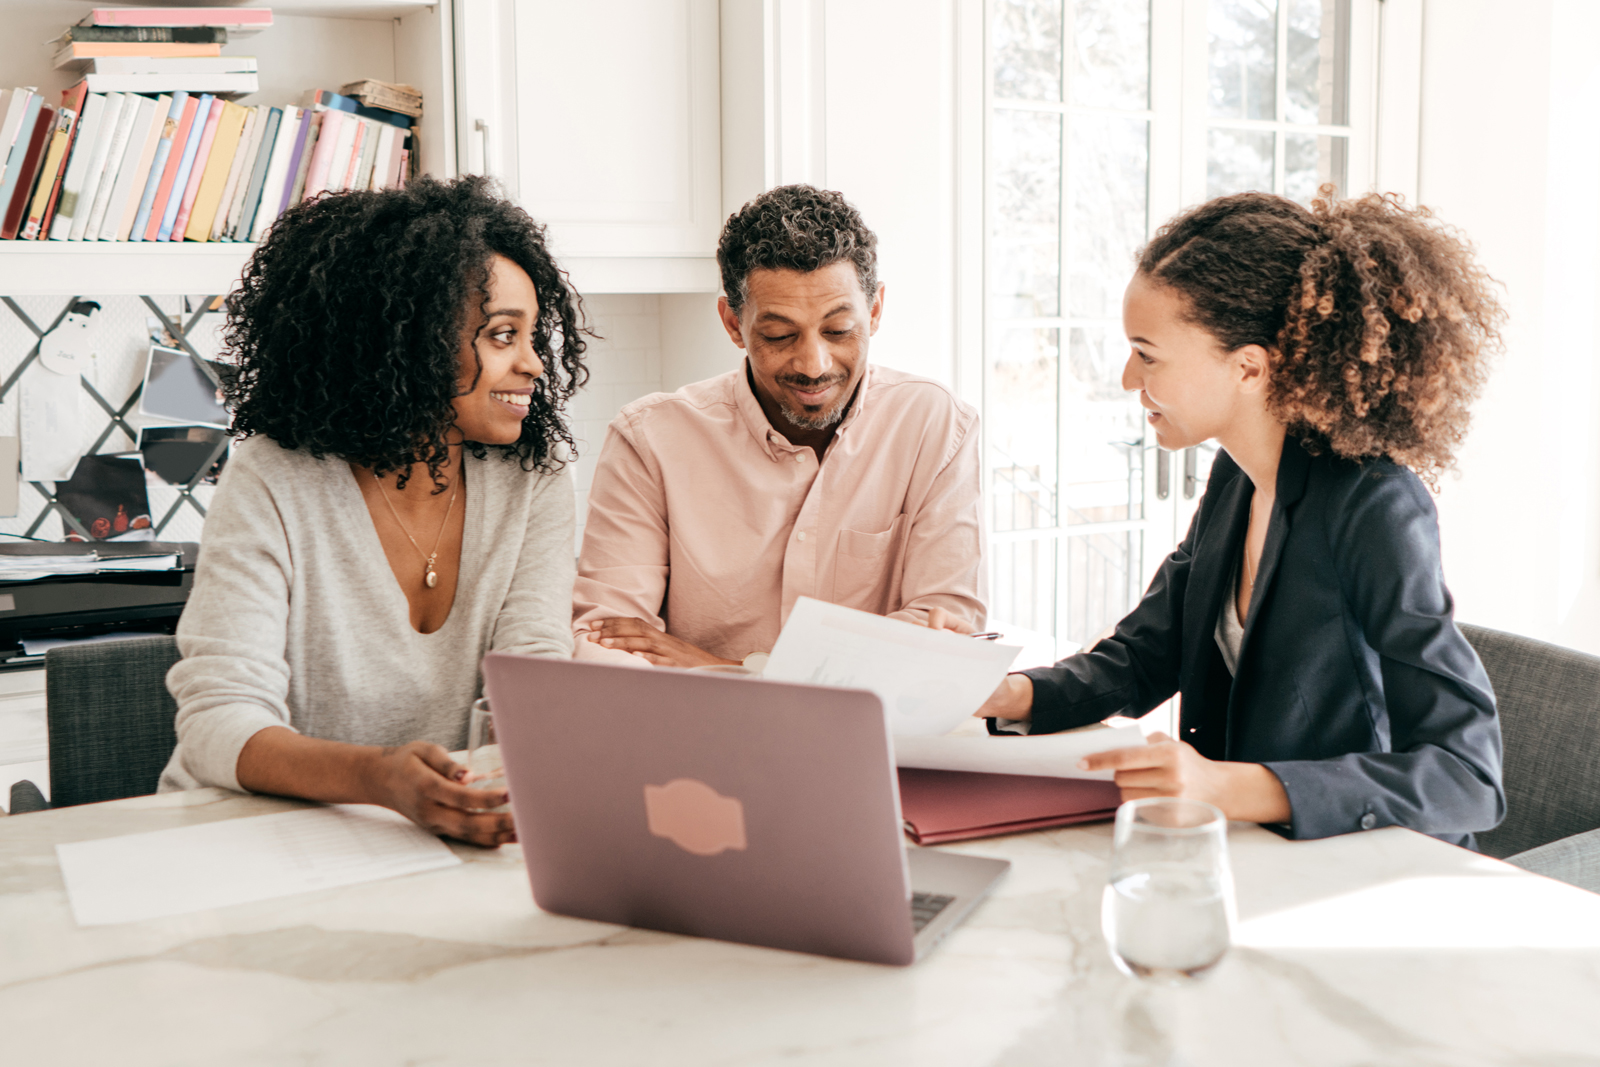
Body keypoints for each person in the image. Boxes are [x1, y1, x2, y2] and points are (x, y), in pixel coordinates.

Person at [978, 190, 1506, 845]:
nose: (1125, 378)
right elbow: (1145, 656)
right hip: (1255, 857)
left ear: (1249, 366)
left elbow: (1468, 776)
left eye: (1147, 354)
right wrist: (1005, 694)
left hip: (1364, 869)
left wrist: (1225, 787)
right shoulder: (1236, 475)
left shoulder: (1374, 504)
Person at [159, 176, 589, 848]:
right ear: (410, 339)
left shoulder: (534, 481)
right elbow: (219, 721)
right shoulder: (274, 479)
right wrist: (379, 778)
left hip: (434, 837)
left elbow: (532, 684)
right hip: (253, 839)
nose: (534, 363)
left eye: (534, 336)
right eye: (503, 335)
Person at [572, 184, 984, 667]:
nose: (813, 364)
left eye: (838, 330)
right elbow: (608, 644)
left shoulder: (936, 426)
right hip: (696, 739)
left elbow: (945, 631)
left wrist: (724, 669)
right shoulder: (648, 441)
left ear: (874, 312)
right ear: (732, 323)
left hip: (871, 739)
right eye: (779, 335)